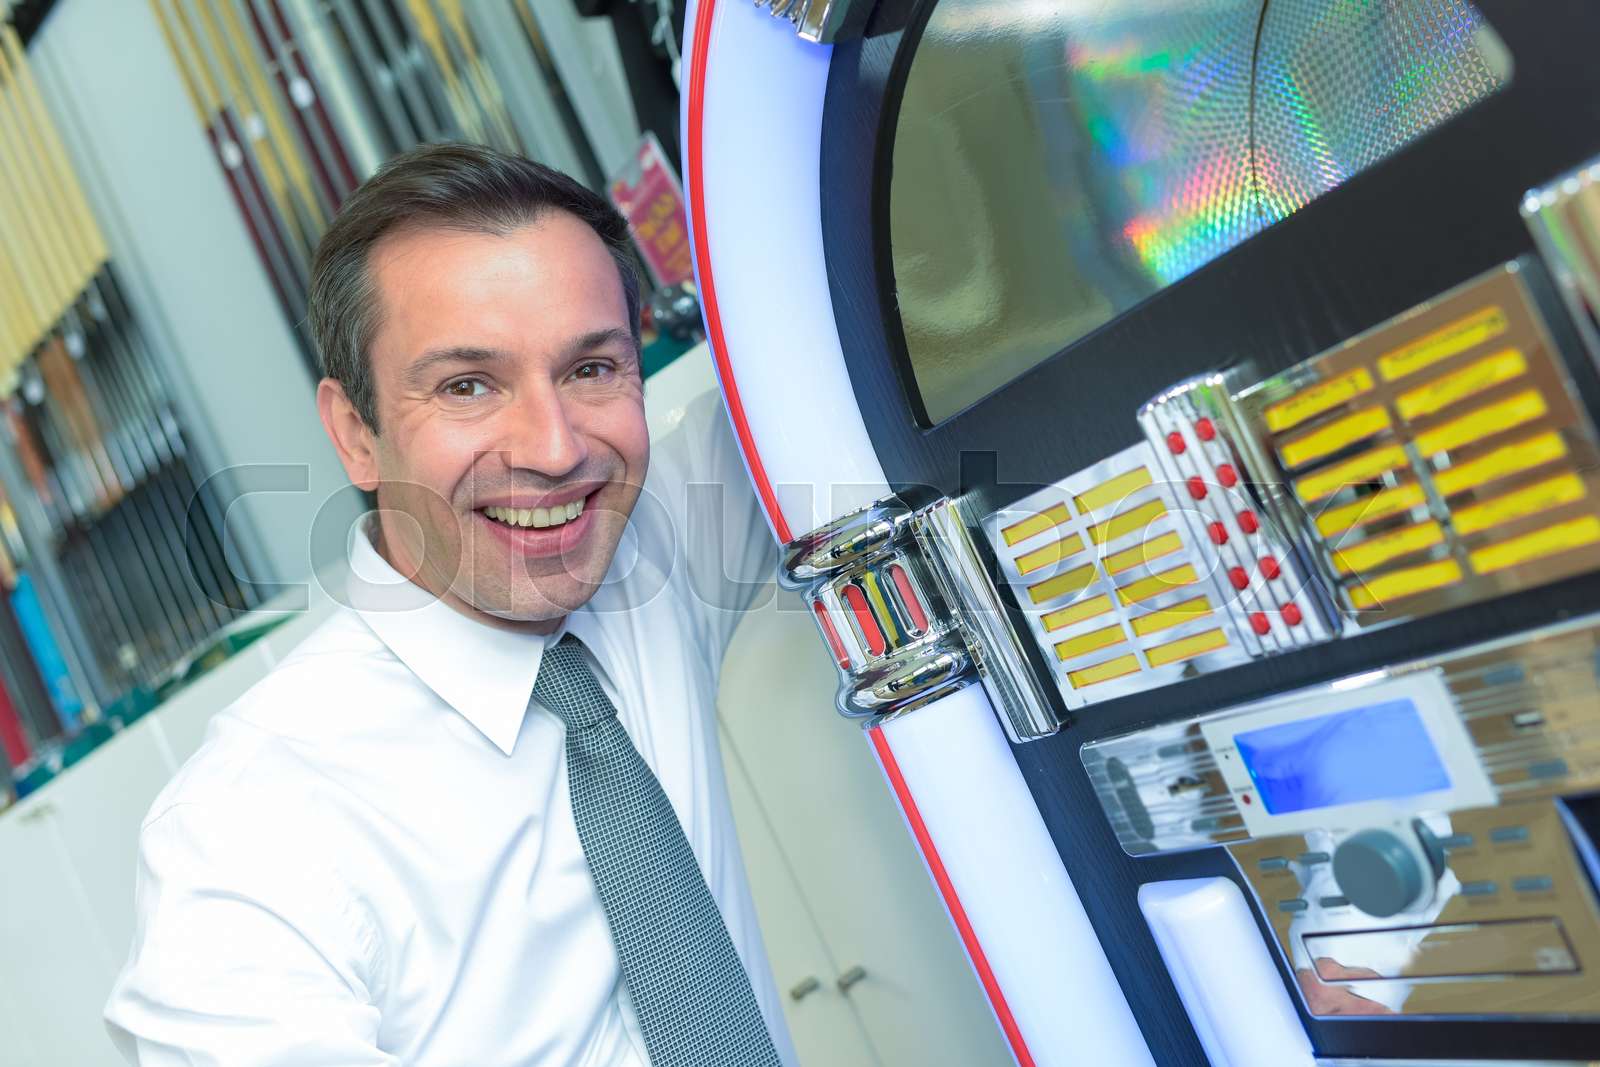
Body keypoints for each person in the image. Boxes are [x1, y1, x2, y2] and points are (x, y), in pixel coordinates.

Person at [104, 143, 795, 1067]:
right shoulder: (248, 835)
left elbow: (826, 324)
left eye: (591, 368)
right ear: (356, 434)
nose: (554, 449)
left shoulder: (652, 549)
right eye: (469, 385)